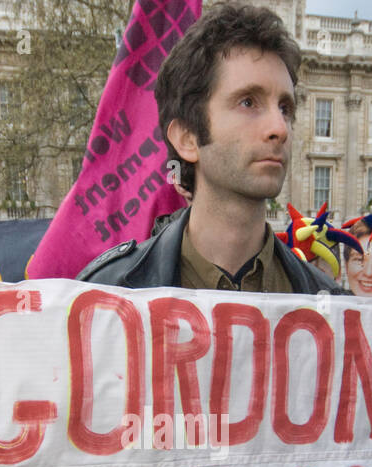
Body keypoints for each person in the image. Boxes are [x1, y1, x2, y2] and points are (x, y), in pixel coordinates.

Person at [77, 3, 340, 295]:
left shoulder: (333, 306)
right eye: (248, 102)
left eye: (285, 107)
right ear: (187, 138)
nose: (279, 128)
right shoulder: (107, 293)